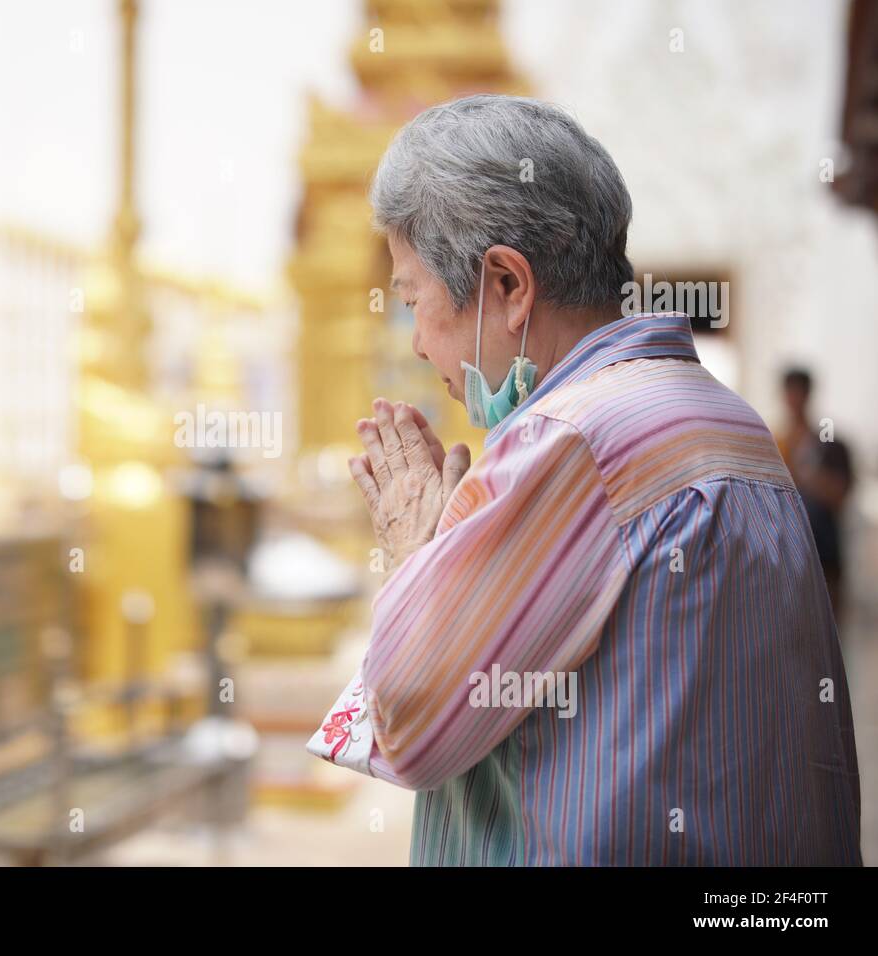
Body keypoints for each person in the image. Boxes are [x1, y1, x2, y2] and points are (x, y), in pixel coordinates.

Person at [306, 95, 862, 865]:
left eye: (411, 299)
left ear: (507, 284)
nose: (417, 340)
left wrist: (413, 555)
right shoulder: (733, 424)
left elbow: (410, 717)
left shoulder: (570, 442)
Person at [775, 367, 855, 617]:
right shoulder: (774, 441)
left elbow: (841, 494)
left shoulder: (830, 443)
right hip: (784, 555)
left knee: (830, 625)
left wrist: (806, 477)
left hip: (825, 554)